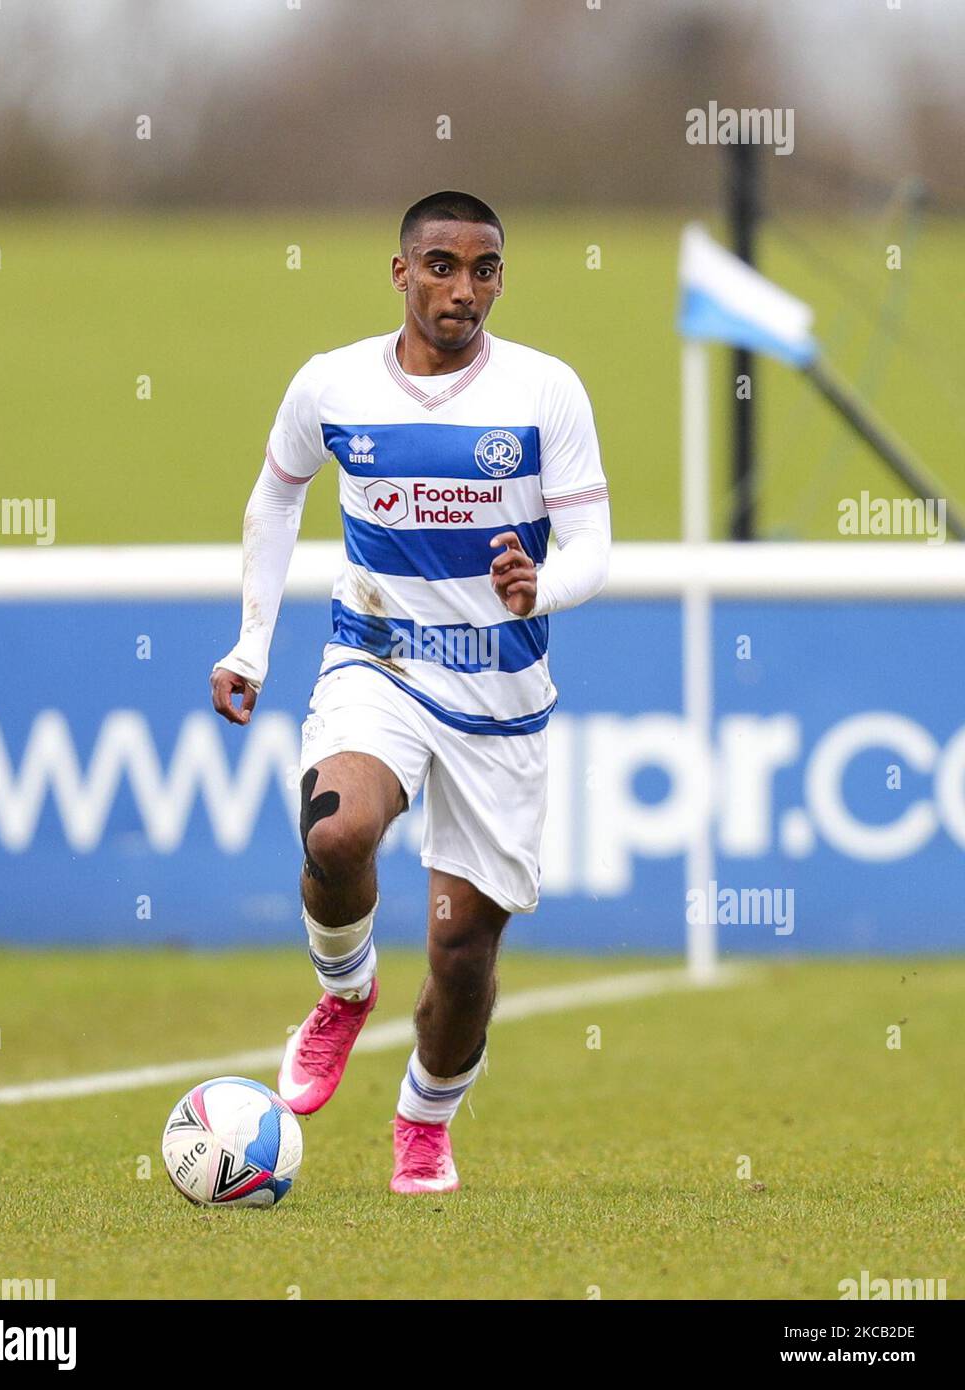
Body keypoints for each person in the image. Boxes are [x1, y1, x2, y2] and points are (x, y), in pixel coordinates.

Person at [211, 190, 610, 1193]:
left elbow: (593, 543)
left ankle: (423, 1121)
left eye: (484, 270)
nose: (462, 289)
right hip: (376, 660)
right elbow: (275, 494)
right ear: (400, 272)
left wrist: (541, 584)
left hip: (499, 692)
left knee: (462, 953)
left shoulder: (543, 391)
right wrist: (251, 645)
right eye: (440, 265)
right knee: (335, 831)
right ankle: (344, 991)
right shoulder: (331, 384)